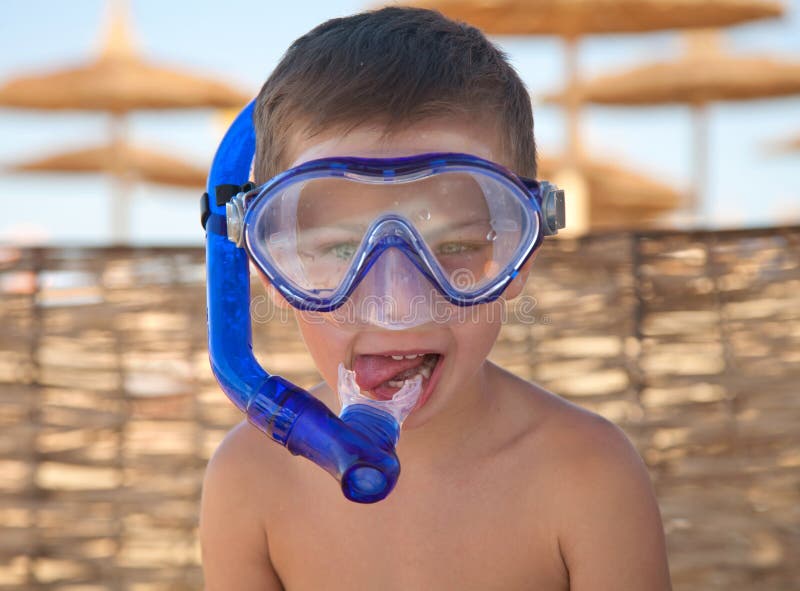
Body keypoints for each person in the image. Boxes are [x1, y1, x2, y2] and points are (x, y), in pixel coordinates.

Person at [199, 7, 672, 590]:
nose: (398, 303)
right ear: (267, 267)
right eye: (341, 250)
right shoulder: (248, 482)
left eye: (456, 245)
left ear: (521, 254)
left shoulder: (588, 477)